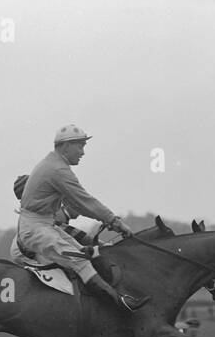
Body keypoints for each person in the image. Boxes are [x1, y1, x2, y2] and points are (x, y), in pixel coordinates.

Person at [12, 124, 148, 313]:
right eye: (80, 146)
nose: (82, 152)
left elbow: (79, 204)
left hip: (42, 226)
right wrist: (115, 222)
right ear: (65, 146)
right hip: (35, 229)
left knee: (89, 255)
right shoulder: (58, 170)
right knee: (81, 261)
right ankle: (119, 304)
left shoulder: (54, 165)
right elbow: (85, 201)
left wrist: (109, 222)